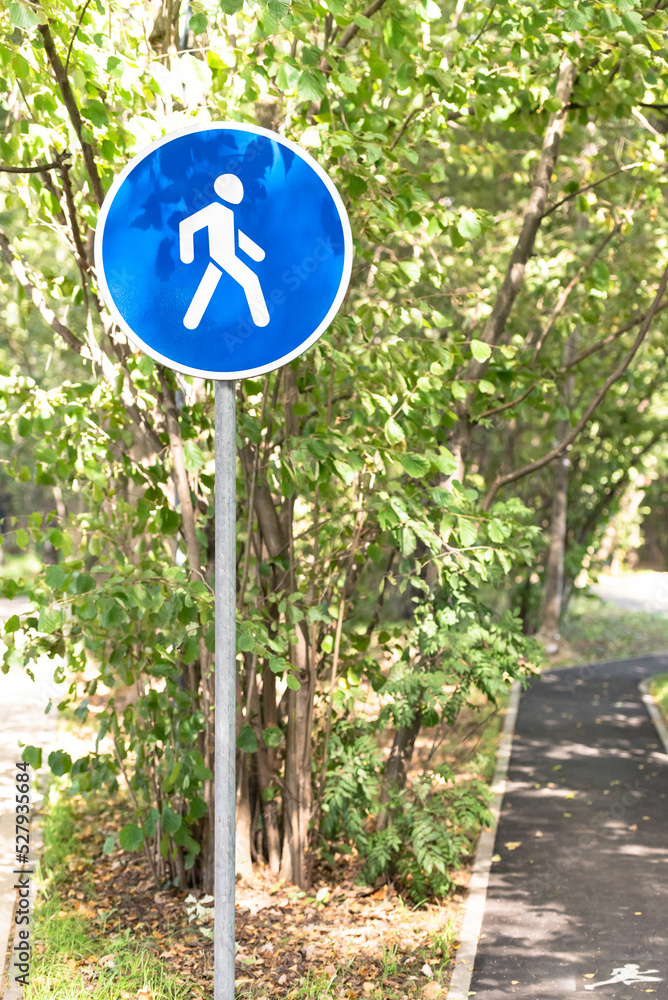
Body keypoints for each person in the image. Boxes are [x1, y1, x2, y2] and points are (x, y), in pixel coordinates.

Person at [179, 173, 269, 330]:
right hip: (221, 257)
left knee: (207, 286)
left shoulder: (230, 214)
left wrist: (255, 252)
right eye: (235, 190)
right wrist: (187, 254)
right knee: (250, 279)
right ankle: (261, 319)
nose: (239, 194)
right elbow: (187, 225)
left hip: (225, 257)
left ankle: (190, 322)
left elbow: (236, 237)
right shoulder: (214, 210)